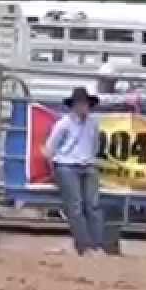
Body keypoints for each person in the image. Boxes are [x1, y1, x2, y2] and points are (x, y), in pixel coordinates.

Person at [43, 87, 108, 256]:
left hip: (86, 164)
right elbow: (50, 148)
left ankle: (96, 245)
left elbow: (94, 146)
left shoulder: (92, 123)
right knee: (77, 206)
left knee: (92, 206)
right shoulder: (63, 124)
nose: (84, 107)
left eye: (86, 104)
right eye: (81, 104)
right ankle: (85, 246)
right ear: (74, 106)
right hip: (67, 165)